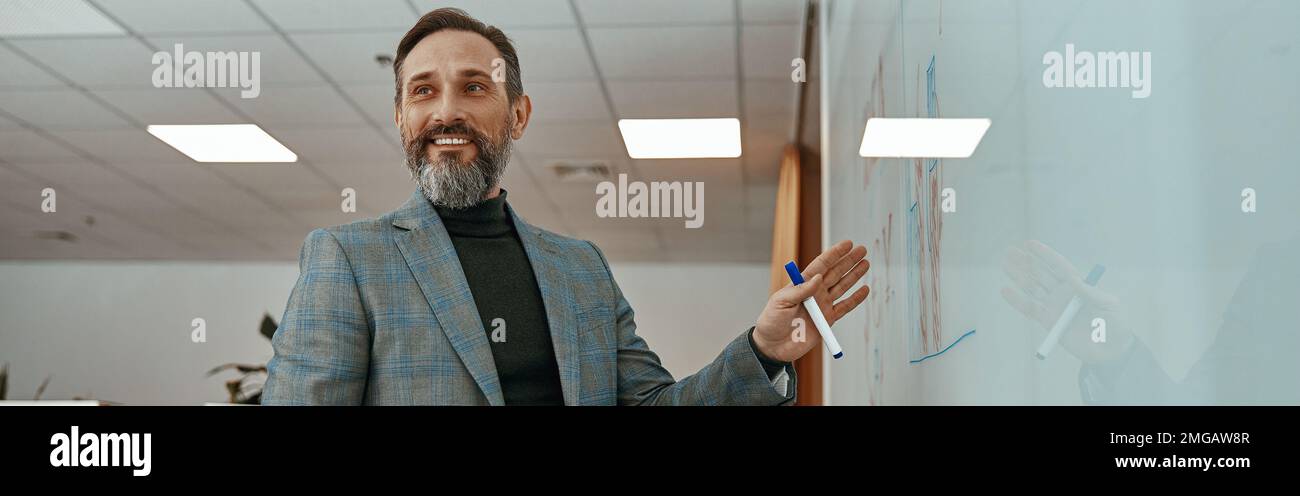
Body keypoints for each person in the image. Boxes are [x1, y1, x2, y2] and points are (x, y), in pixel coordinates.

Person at [261, 8, 871, 405]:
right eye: (423, 91)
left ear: (518, 115)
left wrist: (761, 350)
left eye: (475, 87)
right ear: (401, 117)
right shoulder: (346, 259)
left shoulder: (581, 269)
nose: (447, 111)